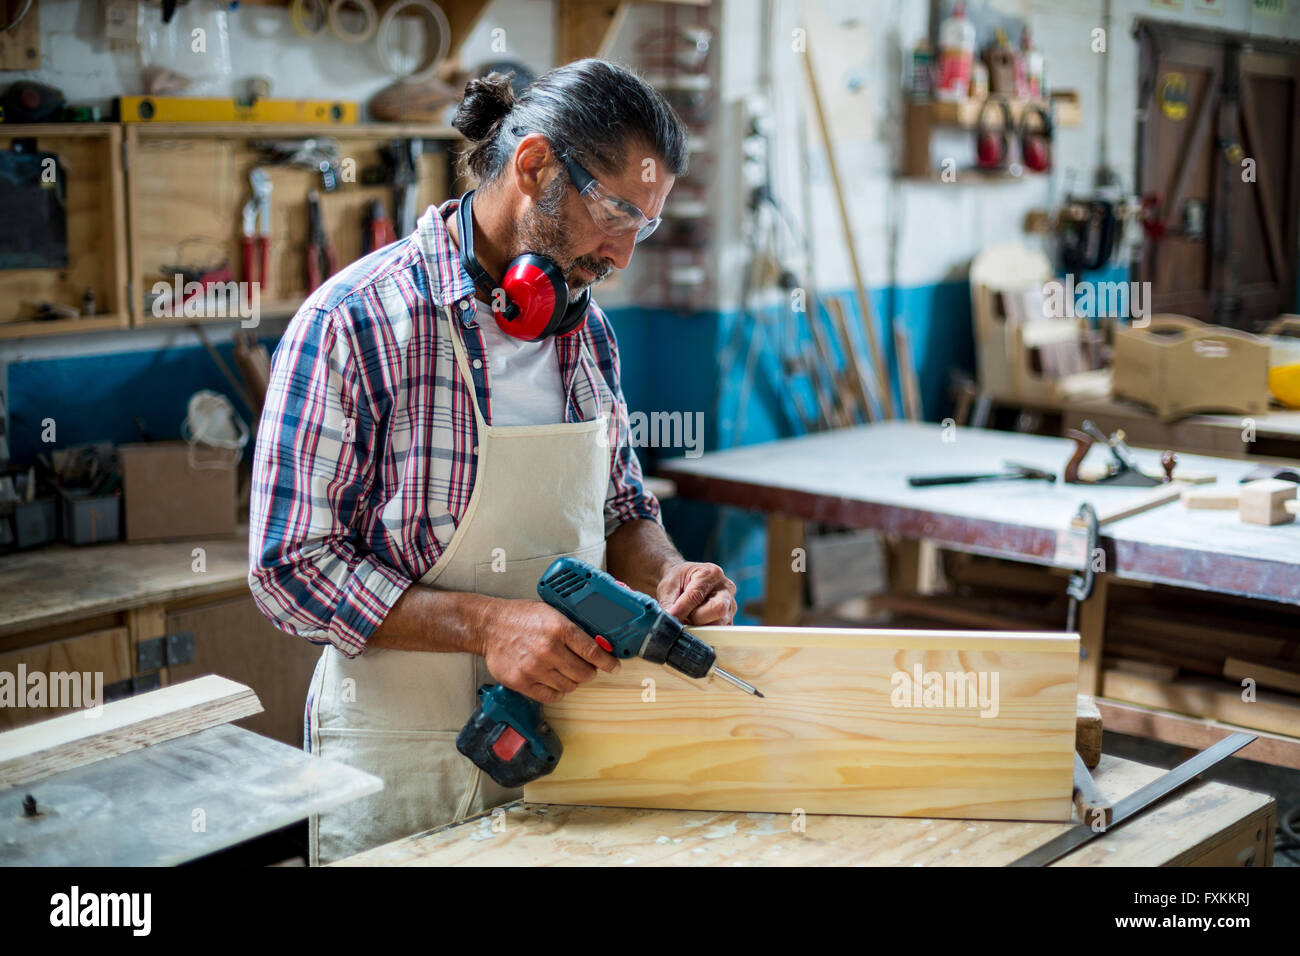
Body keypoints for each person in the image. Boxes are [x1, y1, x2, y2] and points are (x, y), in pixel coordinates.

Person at [248, 59, 738, 865]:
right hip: (404, 769)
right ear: (536, 166)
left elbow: (620, 508)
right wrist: (490, 625)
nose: (622, 254)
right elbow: (288, 571)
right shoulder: (354, 323)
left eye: (642, 226)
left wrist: (668, 575)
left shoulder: (587, 333)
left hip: (573, 754)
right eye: (615, 212)